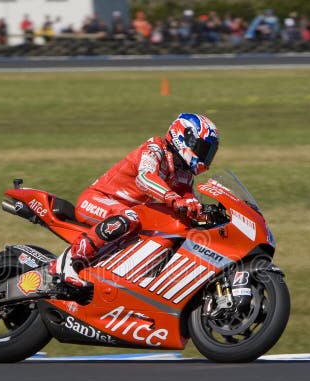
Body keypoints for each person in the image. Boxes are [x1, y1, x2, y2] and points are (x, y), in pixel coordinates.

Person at [50, 113, 220, 288]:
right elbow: (145, 178)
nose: (205, 157)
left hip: (126, 215)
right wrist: (172, 197)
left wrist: (207, 215)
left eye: (209, 153)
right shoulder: (155, 148)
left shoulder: (184, 174)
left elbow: (189, 202)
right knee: (129, 217)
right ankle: (68, 262)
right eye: (203, 149)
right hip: (97, 199)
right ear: (184, 137)